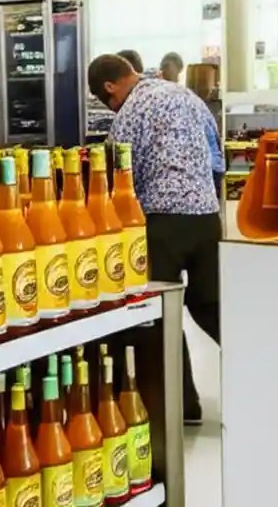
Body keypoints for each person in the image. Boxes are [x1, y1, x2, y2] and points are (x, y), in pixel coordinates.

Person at [87, 54, 224, 425]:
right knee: (211, 306)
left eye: (108, 101)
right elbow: (217, 159)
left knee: (158, 312)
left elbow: (117, 172)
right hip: (206, 218)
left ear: (110, 86)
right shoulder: (186, 96)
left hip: (161, 224)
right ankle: (263, 378)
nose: (113, 107)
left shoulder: (131, 111)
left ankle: (182, 405)